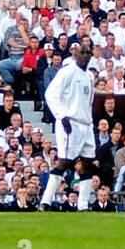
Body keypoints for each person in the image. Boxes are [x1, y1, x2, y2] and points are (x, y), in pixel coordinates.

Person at [42, 44, 98, 210]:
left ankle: (83, 204)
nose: (86, 55)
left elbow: (89, 103)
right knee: (65, 162)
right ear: (75, 54)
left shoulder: (89, 75)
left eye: (89, 52)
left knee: (88, 163)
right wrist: (61, 115)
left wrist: (91, 122)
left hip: (86, 124)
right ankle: (45, 201)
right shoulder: (67, 71)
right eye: (83, 52)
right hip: (70, 122)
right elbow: (50, 94)